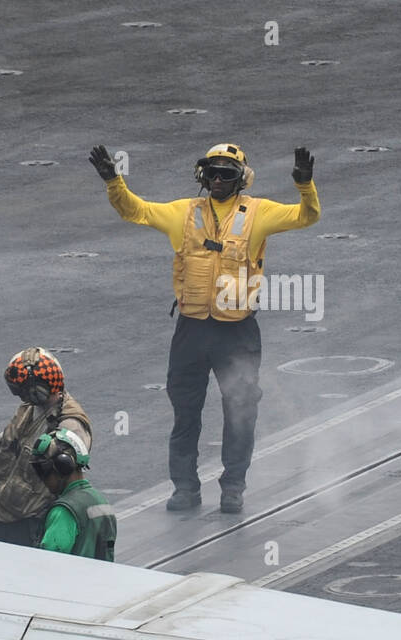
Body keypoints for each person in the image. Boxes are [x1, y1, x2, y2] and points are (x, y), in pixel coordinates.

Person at [89, 142, 320, 513]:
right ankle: (184, 488)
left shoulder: (259, 213)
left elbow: (308, 216)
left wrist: (305, 184)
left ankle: (233, 488)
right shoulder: (183, 212)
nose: (216, 179)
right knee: (185, 414)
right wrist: (113, 180)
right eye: (211, 172)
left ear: (240, 179)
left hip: (237, 334)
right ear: (202, 175)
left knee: (240, 411)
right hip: (192, 331)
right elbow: (136, 211)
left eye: (226, 174)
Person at [0, 348, 92, 546]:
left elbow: (67, 476)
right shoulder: (31, 409)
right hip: (5, 515)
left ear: (37, 389)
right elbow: (3, 442)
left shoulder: (70, 425)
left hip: (29, 524)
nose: (21, 396)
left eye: (23, 390)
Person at [30, 429, 116, 561]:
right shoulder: (102, 501)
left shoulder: (64, 511)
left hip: (72, 580)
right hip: (101, 580)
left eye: (43, 470)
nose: (42, 478)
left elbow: (48, 562)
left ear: (63, 467)